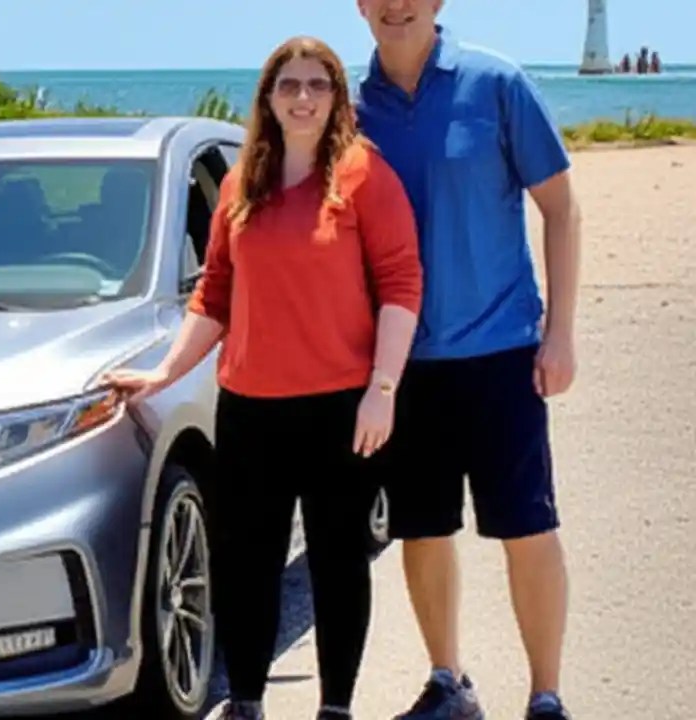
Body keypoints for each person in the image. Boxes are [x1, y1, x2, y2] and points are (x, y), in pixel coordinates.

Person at [103, 36, 423, 720]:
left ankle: (336, 706)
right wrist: (163, 373)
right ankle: (245, 701)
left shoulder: (366, 176)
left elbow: (402, 286)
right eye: (289, 86)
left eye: (317, 85)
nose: (303, 98)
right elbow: (214, 295)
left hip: (343, 409)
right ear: (269, 99)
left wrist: (383, 389)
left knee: (339, 566)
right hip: (250, 410)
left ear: (336, 96)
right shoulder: (242, 183)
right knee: (246, 567)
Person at [352, 2, 583, 719]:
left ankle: (546, 694)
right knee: (422, 528)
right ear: (359, 5)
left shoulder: (498, 83)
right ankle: (448, 682)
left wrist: (562, 333)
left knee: (527, 525)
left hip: (503, 350)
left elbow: (562, 208)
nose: (396, 6)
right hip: (403, 365)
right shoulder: (349, 109)